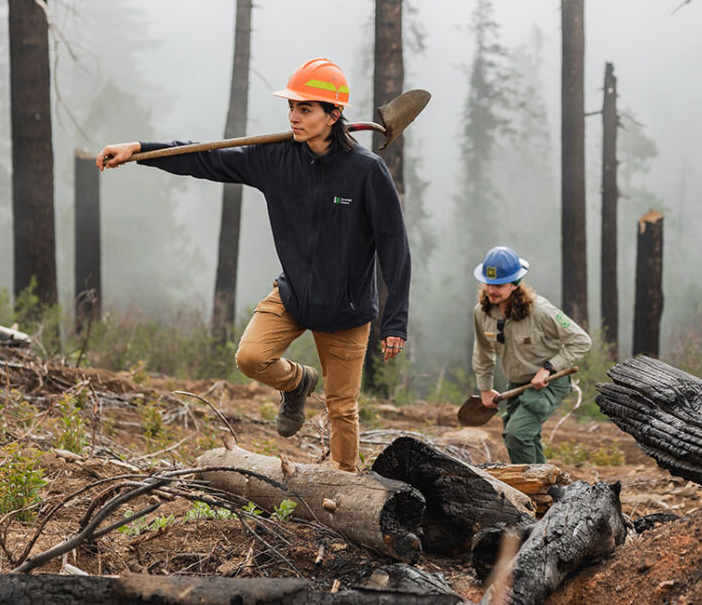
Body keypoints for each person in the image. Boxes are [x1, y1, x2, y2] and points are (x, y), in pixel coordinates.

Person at [95, 58, 411, 472]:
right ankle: (298, 382)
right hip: (294, 294)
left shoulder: (366, 172)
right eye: (291, 108)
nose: (293, 117)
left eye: (305, 109)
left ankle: (344, 487)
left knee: (342, 409)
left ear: (334, 115)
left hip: (346, 312)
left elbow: (395, 246)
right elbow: (202, 159)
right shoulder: (276, 158)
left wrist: (395, 322)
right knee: (250, 357)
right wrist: (138, 151)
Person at [472, 246, 591, 464]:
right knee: (524, 436)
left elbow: (581, 341)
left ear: (515, 284)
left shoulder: (540, 311)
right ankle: (546, 489)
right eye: (488, 283)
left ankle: (531, 490)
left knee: (518, 435)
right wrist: (485, 388)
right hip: (517, 385)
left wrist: (548, 368)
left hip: (550, 382)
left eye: (499, 285)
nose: (491, 290)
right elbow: (482, 352)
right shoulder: (482, 313)